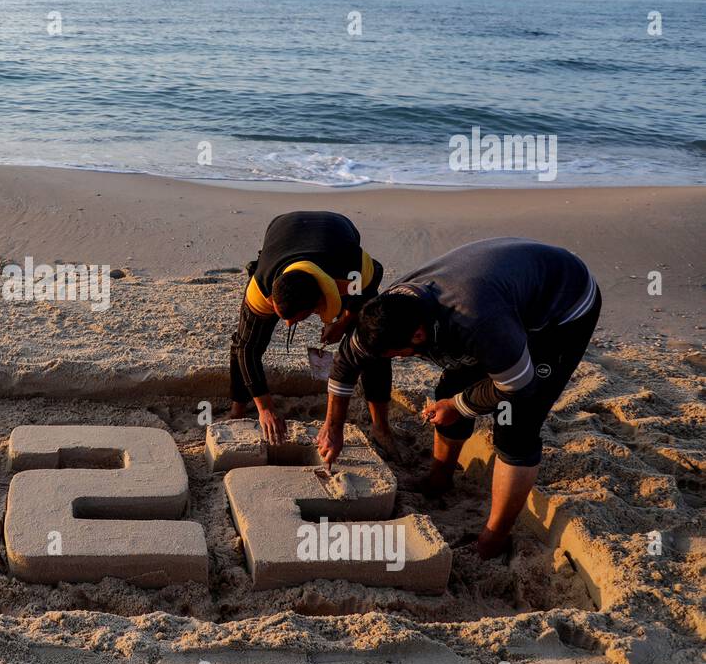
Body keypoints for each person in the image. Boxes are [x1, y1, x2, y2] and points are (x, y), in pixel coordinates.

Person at [317, 237, 600, 559]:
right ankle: (439, 477)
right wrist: (332, 427)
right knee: (449, 391)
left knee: (516, 428)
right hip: (499, 289)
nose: (396, 359)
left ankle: (494, 538)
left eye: (397, 355)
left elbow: (518, 384)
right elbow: (345, 365)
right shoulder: (387, 312)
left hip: (562, 308)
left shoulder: (478, 323)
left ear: (419, 335)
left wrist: (458, 406)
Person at [229, 210, 393, 448]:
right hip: (282, 229)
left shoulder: (352, 273)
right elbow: (246, 349)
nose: (287, 325)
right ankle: (238, 409)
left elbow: (373, 276)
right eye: (282, 317)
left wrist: (343, 321)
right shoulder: (261, 286)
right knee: (245, 340)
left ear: (318, 305)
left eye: (296, 319)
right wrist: (264, 408)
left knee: (373, 342)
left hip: (338, 229)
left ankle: (381, 426)